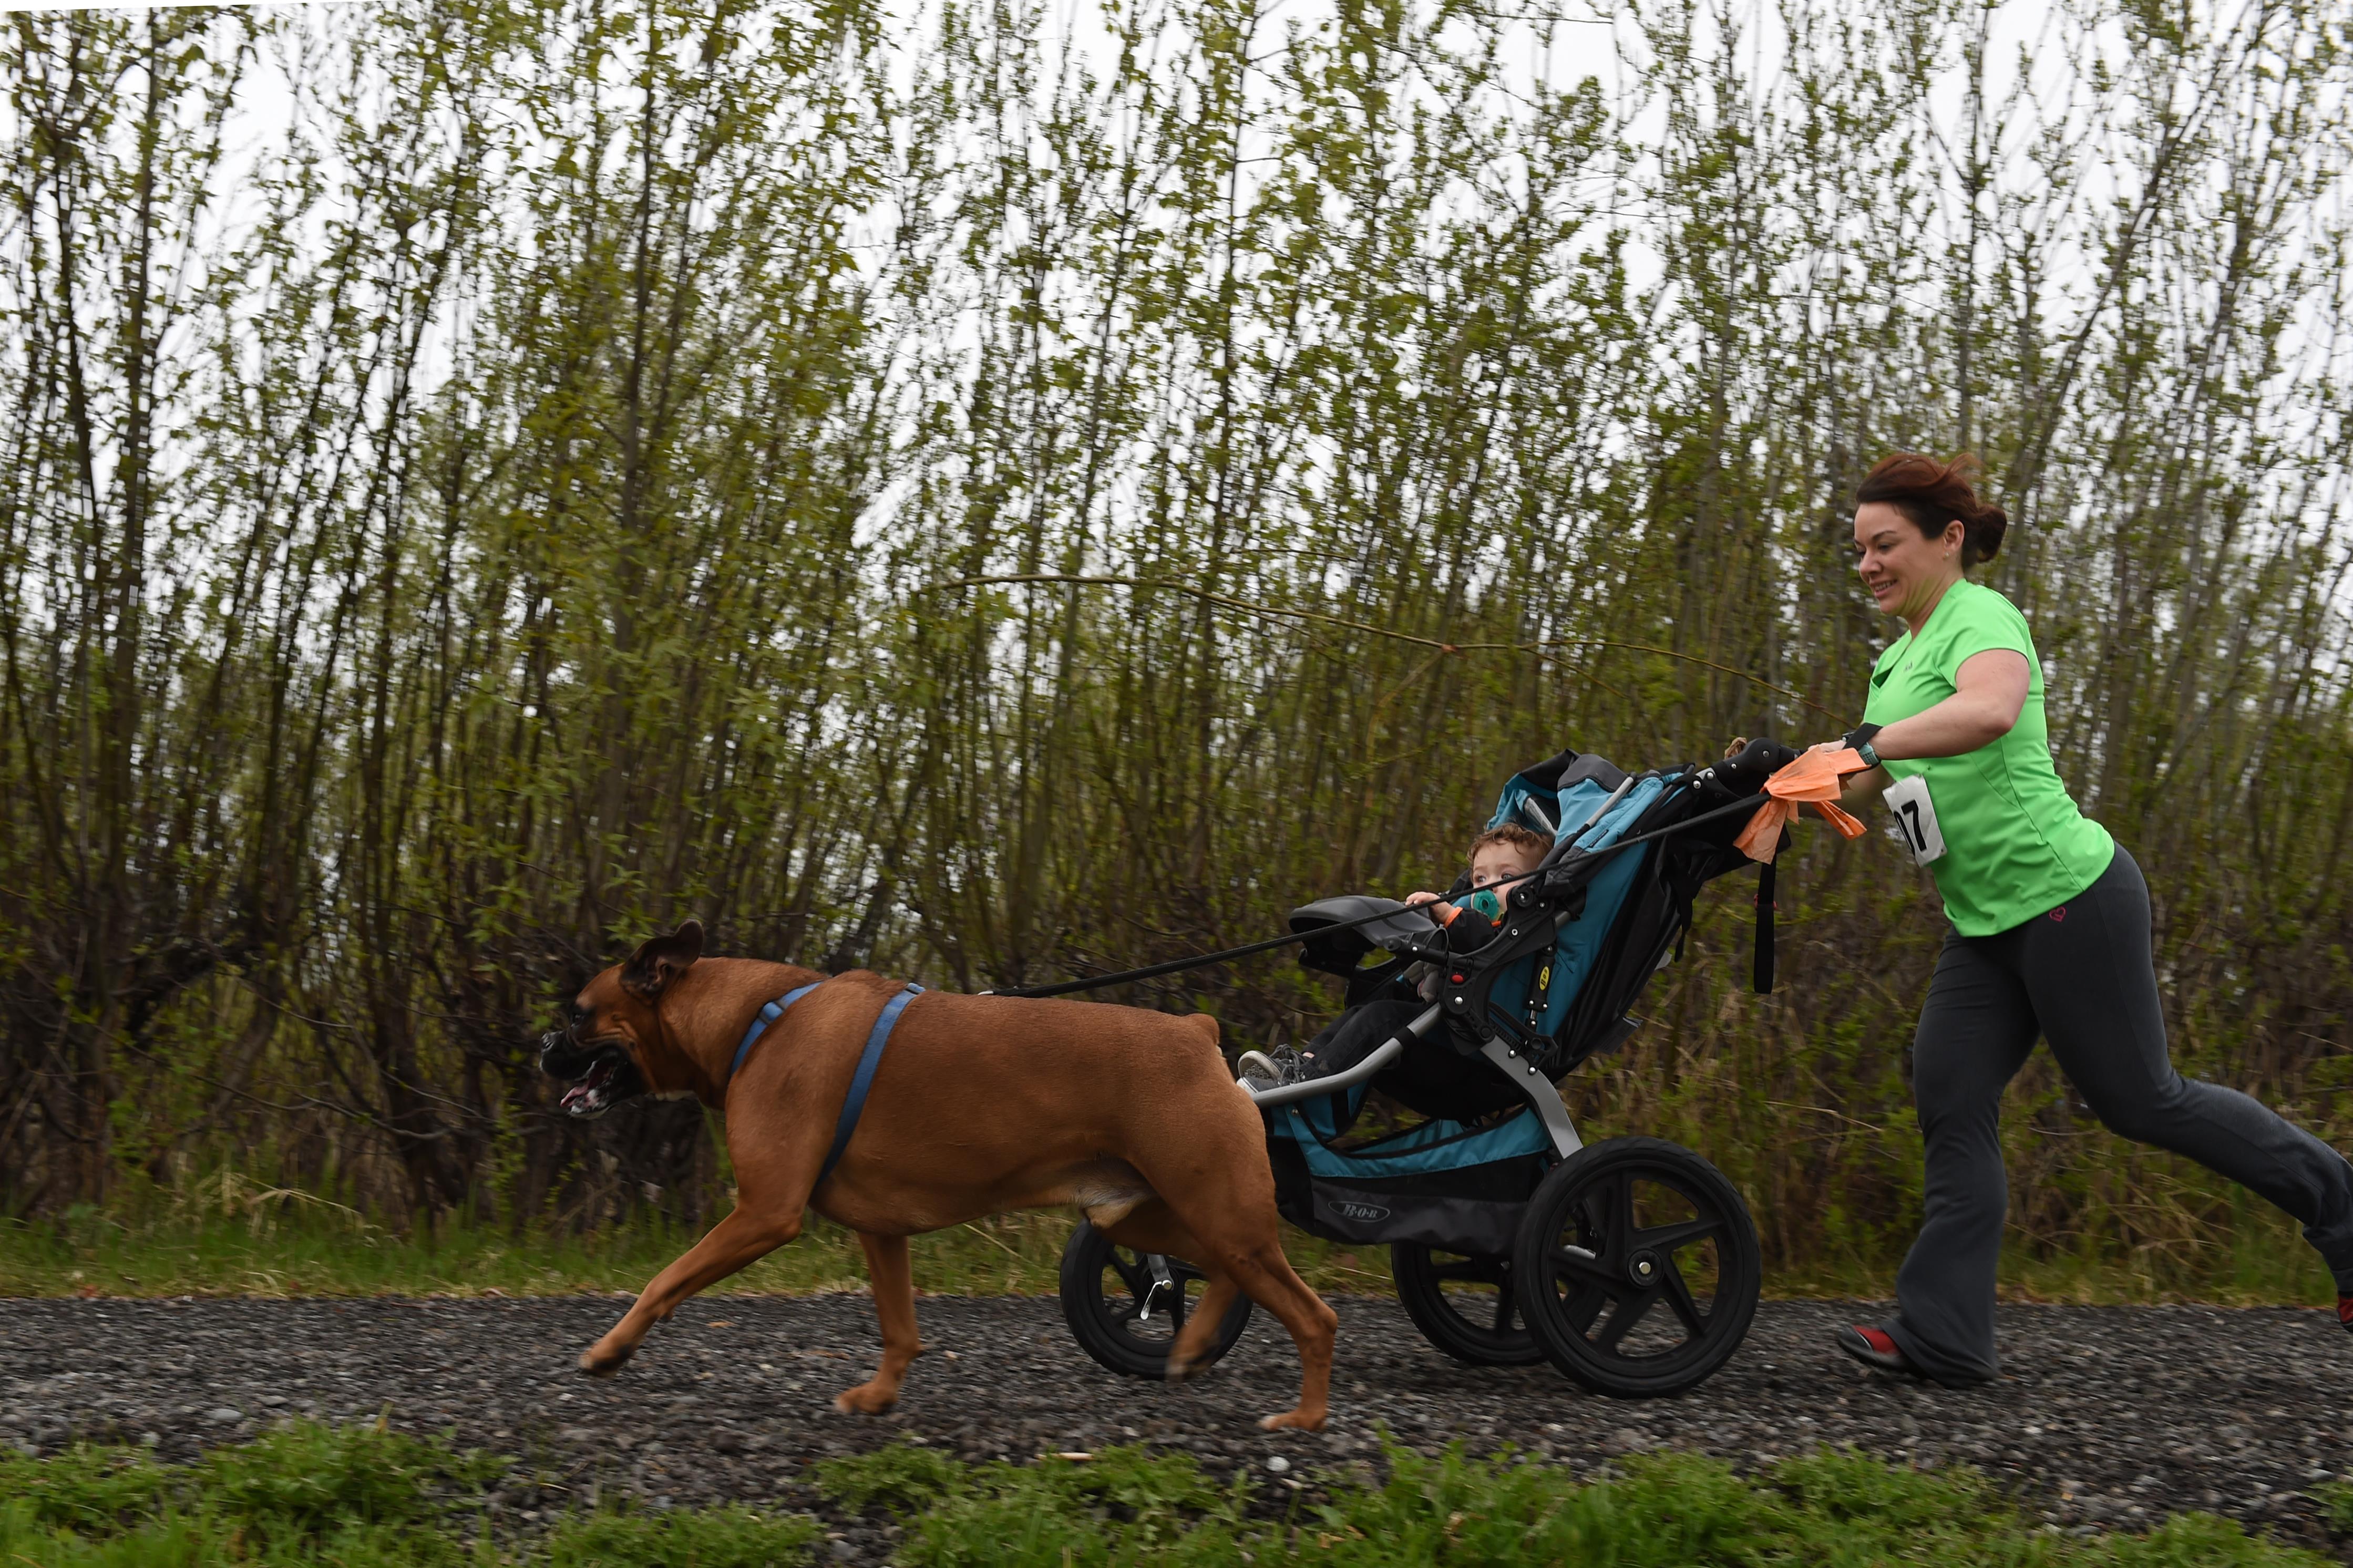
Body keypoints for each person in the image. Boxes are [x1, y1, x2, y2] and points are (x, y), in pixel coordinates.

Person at [1820, 451, 2353, 1387]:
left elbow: (1988, 711)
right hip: (1982, 924)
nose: (1865, 563)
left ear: (1948, 540)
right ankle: (1943, 1334)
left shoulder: (1978, 618)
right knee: (1948, 1091)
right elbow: (1868, 780)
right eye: (1857, 548)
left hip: (2070, 898)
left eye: (1883, 543)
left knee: (2140, 1098)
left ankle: (2341, 1206)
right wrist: (1781, 788)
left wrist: (1863, 743)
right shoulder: (1895, 659)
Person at [1238, 825, 1550, 1089]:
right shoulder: (1470, 916)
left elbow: (1482, 943)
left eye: (1505, 876)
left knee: (1381, 1018)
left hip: (1473, 1040)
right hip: (1441, 1020)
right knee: (1363, 1010)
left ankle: (1307, 1079)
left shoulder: (1514, 931)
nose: (1489, 888)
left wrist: (1448, 913)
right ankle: (1298, 1064)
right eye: (1480, 880)